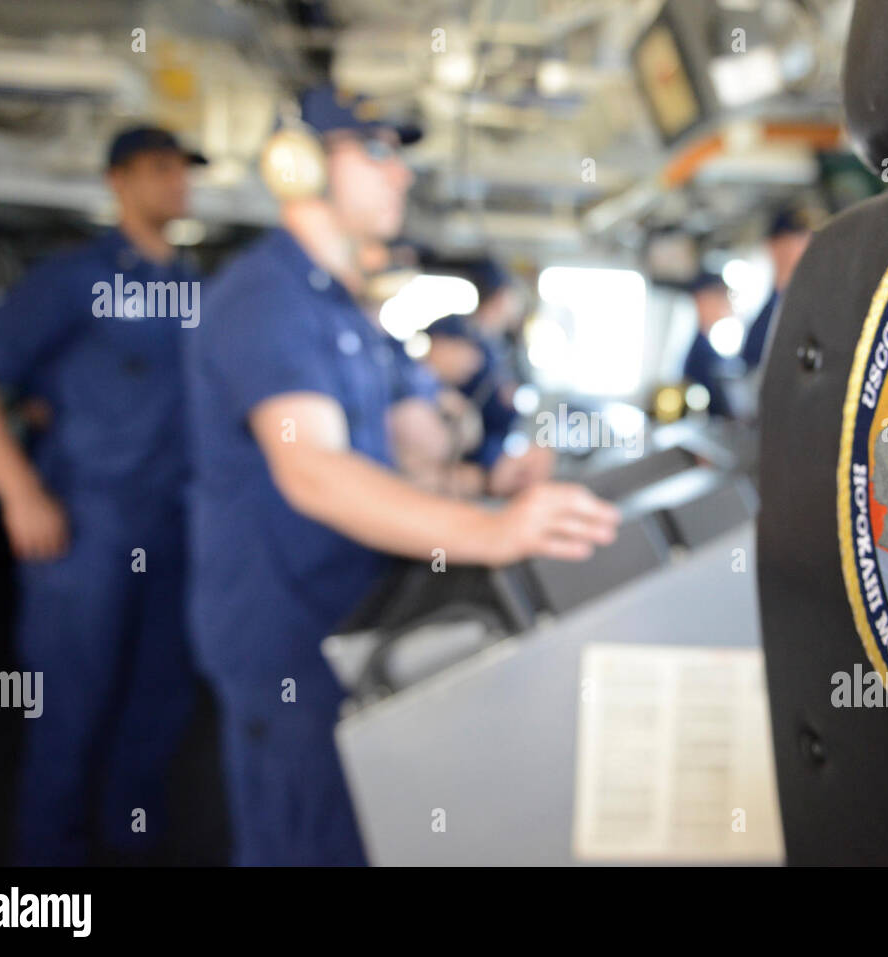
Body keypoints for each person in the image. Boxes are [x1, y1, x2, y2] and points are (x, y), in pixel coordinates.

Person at [184, 87, 620, 866]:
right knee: (301, 843)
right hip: (283, 632)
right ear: (302, 165)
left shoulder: (346, 313)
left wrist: (490, 489)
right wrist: (490, 531)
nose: (402, 176)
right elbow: (313, 468)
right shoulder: (266, 297)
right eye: (377, 151)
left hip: (347, 614)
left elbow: (394, 464)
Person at [0, 125, 205, 864]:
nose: (177, 182)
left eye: (183, 169)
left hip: (173, 524)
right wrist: (20, 491)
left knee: (157, 707)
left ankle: (132, 848)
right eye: (159, 168)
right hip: (88, 525)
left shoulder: (196, 288)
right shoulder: (76, 278)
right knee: (70, 712)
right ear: (117, 181)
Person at [424, 258, 554, 494]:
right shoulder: (456, 330)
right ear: (502, 297)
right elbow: (428, 373)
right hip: (466, 445)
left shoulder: (503, 345)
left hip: (499, 444)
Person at [741, 207, 813, 370]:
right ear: (773, 246)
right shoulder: (767, 317)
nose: (803, 247)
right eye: (794, 240)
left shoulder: (815, 302)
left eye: (805, 239)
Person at [682, 271, 742, 419]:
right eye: (721, 298)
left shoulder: (702, 347)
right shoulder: (701, 352)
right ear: (702, 300)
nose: (727, 306)